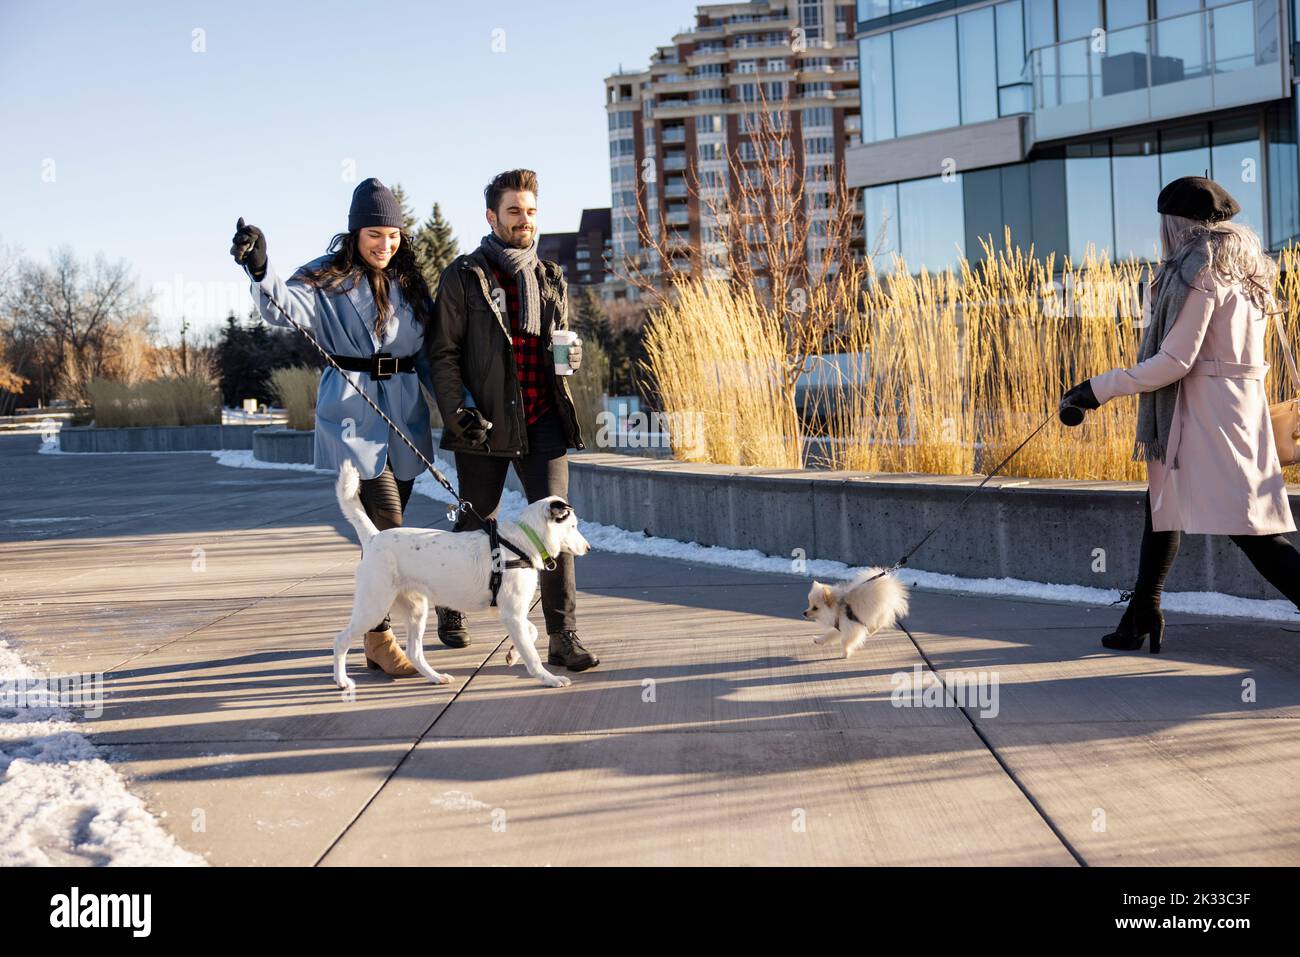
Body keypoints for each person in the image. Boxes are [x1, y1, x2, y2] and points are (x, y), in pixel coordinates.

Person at [1062, 175, 1300, 653]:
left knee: (1254, 532)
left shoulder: (1202, 271)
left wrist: (1098, 388)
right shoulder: (1246, 270)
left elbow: (1175, 361)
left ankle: (1142, 612)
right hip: (1223, 411)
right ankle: (1142, 613)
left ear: (1176, 222)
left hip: (1211, 417)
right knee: (1163, 507)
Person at [229, 178, 436, 677]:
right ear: (354, 231)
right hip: (352, 409)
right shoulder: (326, 278)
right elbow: (282, 308)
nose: (384, 244)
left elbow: (430, 355)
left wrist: (458, 410)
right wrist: (260, 266)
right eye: (374, 233)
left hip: (404, 411)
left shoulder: (410, 285)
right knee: (388, 524)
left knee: (382, 537)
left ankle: (373, 626)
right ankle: (380, 638)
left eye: (392, 235)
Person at [426, 168, 598, 671]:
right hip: (484, 421)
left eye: (530, 211)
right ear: (491, 216)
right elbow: (444, 354)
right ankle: (452, 602)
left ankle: (563, 637)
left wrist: (570, 357)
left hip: (544, 417)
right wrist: (459, 413)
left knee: (557, 526)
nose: (524, 220)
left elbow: (557, 341)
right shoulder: (465, 275)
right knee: (476, 519)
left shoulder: (548, 275)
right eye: (514, 211)